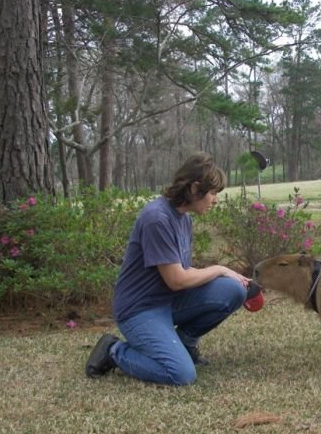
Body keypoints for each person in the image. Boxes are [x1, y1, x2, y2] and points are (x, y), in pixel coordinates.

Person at [85, 152, 251, 385]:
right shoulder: (157, 218)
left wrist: (227, 277)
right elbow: (177, 279)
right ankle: (114, 351)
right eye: (212, 193)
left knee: (234, 290)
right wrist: (218, 269)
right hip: (140, 308)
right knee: (181, 374)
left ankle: (184, 343)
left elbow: (181, 271)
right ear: (194, 188)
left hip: (169, 300)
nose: (215, 200)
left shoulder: (184, 219)